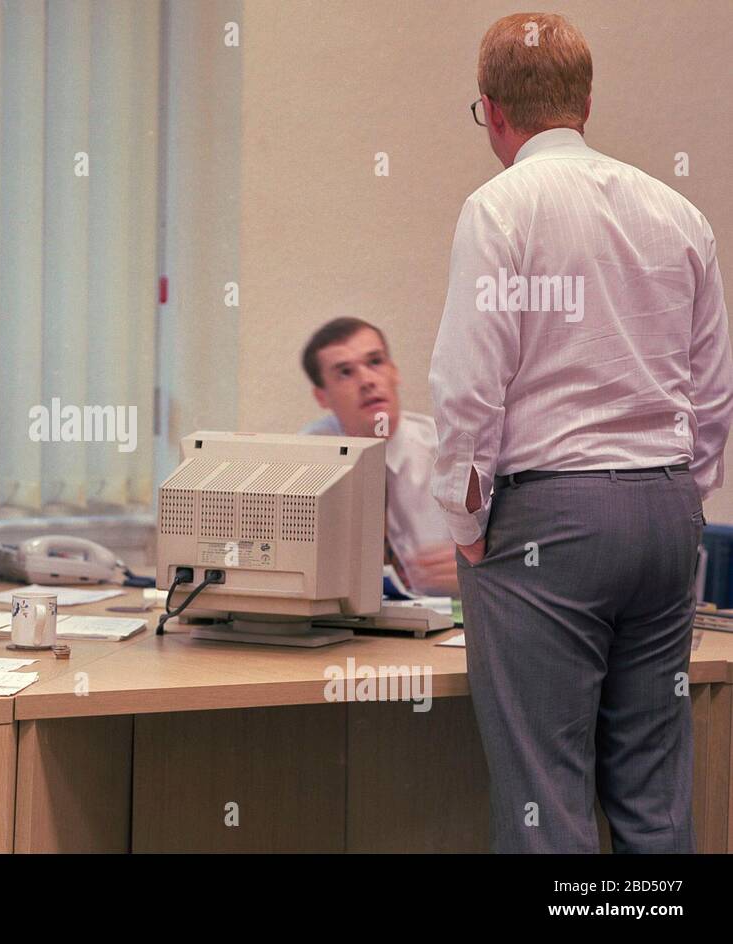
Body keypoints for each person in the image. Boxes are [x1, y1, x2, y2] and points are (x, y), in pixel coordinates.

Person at [430, 12, 733, 852]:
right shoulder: (679, 212)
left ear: (491, 111)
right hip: (666, 511)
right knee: (654, 792)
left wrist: (465, 528)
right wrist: (681, 493)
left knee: (545, 798)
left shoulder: (498, 210)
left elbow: (467, 390)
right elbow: (713, 393)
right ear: (587, 102)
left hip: (547, 522)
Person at [301, 317, 458, 595]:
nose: (367, 381)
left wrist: (478, 571)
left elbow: (521, 558)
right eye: (345, 372)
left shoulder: (450, 451)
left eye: (375, 362)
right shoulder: (307, 462)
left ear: (394, 372)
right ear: (321, 396)